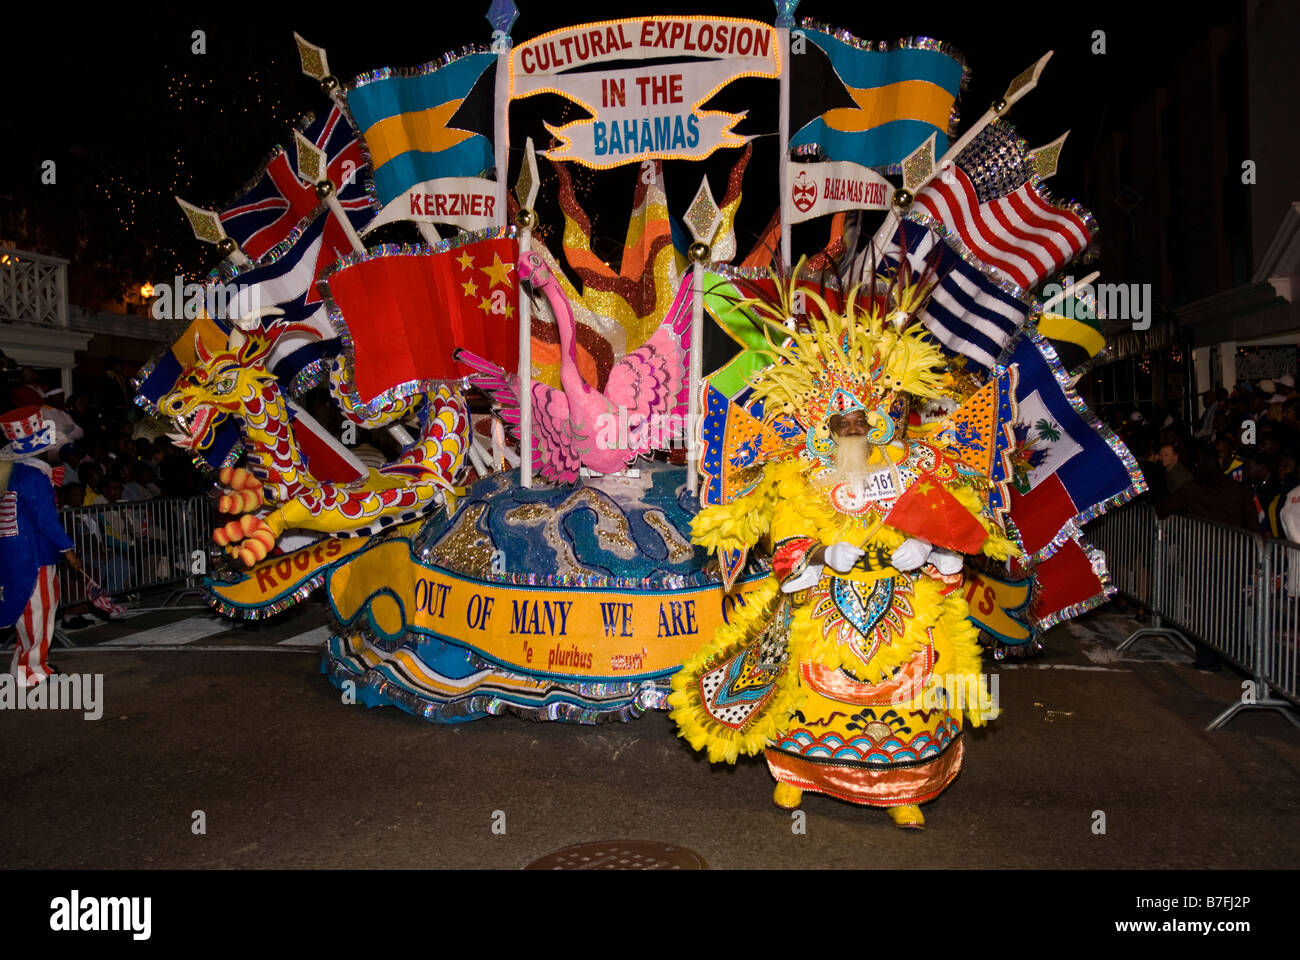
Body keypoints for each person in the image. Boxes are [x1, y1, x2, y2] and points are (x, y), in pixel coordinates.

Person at [671, 310, 1016, 829]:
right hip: (823, 600)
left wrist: (926, 547)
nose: (851, 431)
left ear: (877, 422)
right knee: (804, 682)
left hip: (903, 597)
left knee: (915, 686)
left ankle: (903, 788)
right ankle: (797, 775)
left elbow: (953, 530)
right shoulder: (800, 476)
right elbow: (786, 542)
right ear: (823, 429)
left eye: (859, 421)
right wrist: (819, 555)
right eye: (840, 424)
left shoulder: (910, 468)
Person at [0, 406, 83, 686]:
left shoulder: (9, 472)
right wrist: (68, 549)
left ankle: (24, 663)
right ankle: (31, 669)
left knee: (27, 611)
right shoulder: (34, 477)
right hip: (32, 553)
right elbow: (46, 520)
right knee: (39, 610)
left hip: (12, 551)